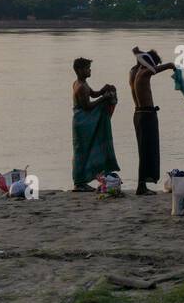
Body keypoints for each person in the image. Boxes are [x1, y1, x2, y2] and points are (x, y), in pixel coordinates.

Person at [129, 46, 174, 195]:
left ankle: (142, 185)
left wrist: (139, 54)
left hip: (138, 114)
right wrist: (171, 66)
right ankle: (141, 187)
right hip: (146, 115)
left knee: (144, 151)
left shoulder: (133, 72)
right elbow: (155, 69)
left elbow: (141, 60)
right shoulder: (144, 73)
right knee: (146, 152)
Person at [71, 57, 119, 192]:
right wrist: (104, 98)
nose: (89, 70)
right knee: (81, 152)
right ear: (79, 70)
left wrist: (103, 90)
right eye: (87, 68)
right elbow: (87, 106)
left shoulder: (82, 83)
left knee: (84, 150)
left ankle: (82, 182)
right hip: (81, 123)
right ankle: (79, 183)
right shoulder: (80, 86)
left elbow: (93, 94)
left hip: (82, 122)